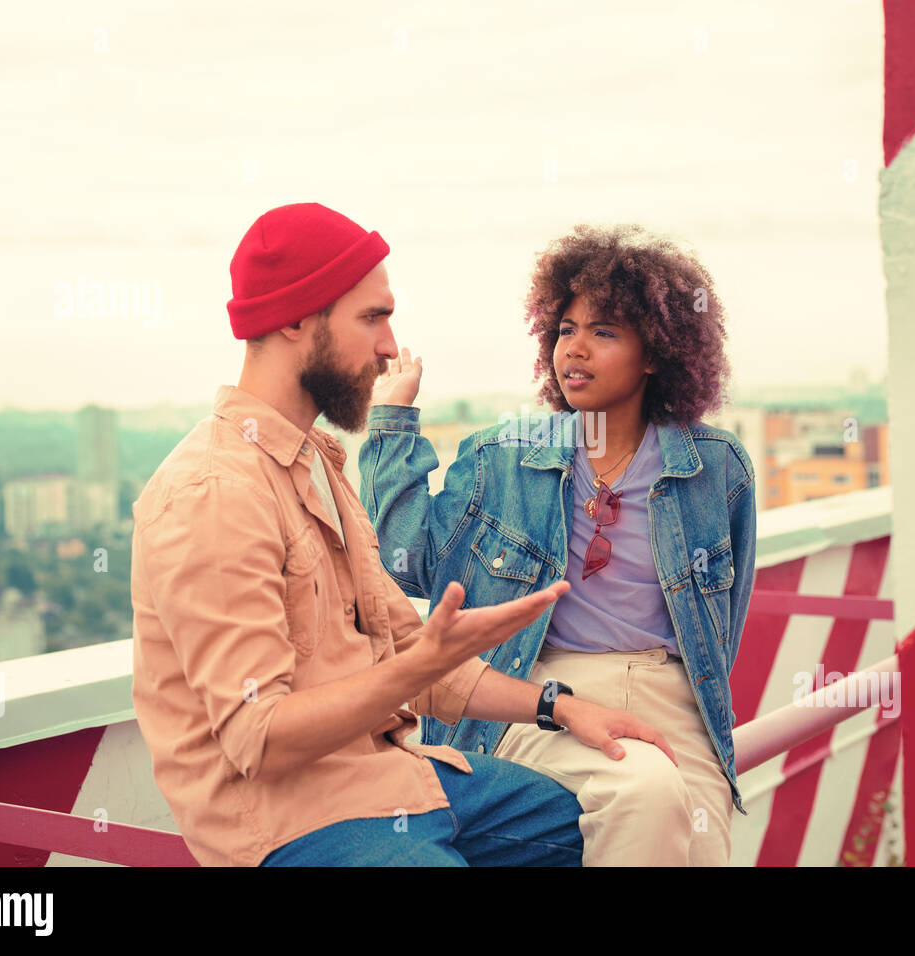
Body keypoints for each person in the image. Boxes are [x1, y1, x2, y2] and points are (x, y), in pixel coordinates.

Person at [129, 203, 674, 867]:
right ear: (296, 318)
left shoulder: (317, 464)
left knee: (597, 825)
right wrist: (418, 666)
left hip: (387, 778)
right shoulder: (214, 492)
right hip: (294, 825)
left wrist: (558, 706)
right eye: (373, 317)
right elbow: (258, 738)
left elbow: (413, 653)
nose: (390, 346)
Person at [359, 223, 757, 866]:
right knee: (649, 792)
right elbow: (406, 563)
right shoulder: (501, 459)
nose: (576, 349)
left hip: (672, 693)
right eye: (567, 330)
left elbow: (723, 621)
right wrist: (393, 422)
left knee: (704, 842)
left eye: (604, 332)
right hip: (536, 687)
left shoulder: (715, 468)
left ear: (656, 352)